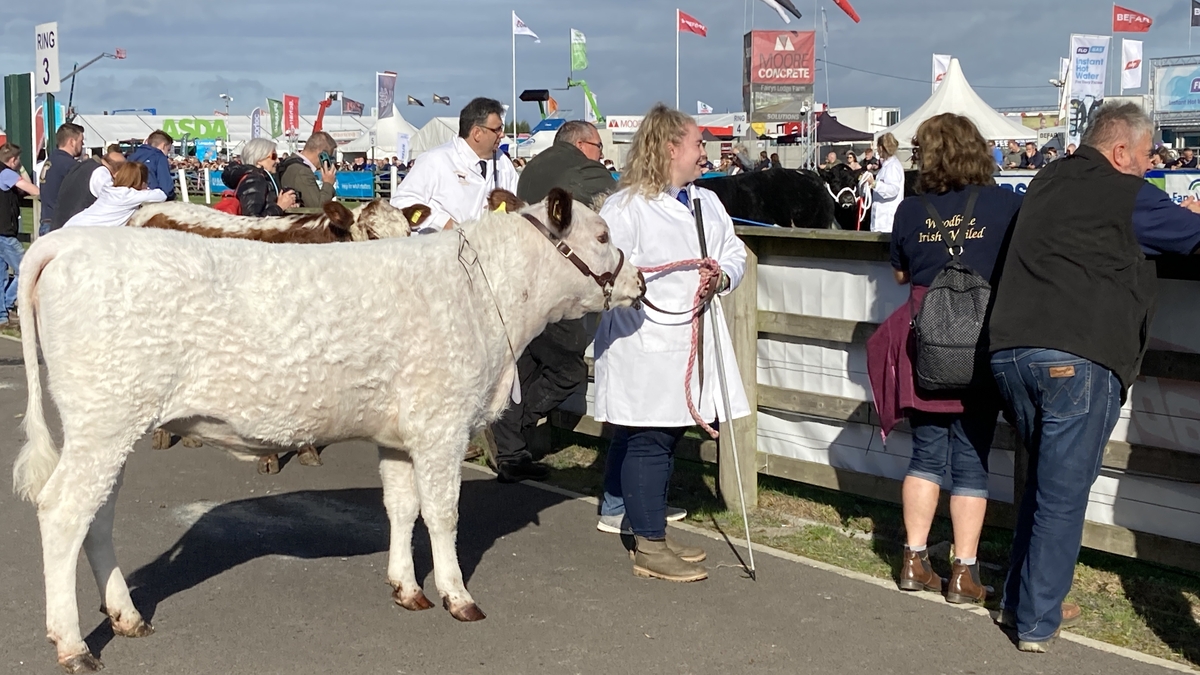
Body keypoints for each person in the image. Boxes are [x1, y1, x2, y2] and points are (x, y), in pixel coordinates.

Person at [988, 102, 1200, 653]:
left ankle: (1024, 599)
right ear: (1120, 150)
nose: (1152, 163)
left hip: (1010, 351)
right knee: (1062, 494)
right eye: (1148, 153)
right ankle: (1036, 621)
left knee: (1041, 483)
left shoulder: (1045, 180)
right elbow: (1191, 237)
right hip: (1077, 353)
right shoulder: (1126, 194)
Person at [868, 113, 1023, 607]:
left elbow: (899, 276)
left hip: (926, 344)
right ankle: (964, 573)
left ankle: (913, 560)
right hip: (979, 344)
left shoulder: (910, 211)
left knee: (927, 455)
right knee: (972, 462)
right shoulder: (1006, 205)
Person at [595, 104, 749, 582]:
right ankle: (649, 547)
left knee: (666, 434)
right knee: (649, 437)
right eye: (699, 143)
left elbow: (735, 252)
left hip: (691, 337)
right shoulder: (625, 209)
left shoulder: (706, 203)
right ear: (669, 148)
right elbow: (605, 273)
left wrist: (720, 277)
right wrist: (648, 285)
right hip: (644, 340)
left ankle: (649, 526)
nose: (706, 152)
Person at [478, 120, 618, 484]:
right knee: (567, 370)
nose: (601, 154)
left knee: (523, 365)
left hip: (522, 282)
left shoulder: (532, 170)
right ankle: (510, 427)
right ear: (583, 144)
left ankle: (509, 443)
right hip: (560, 284)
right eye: (599, 147)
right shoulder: (586, 171)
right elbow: (612, 206)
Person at [390, 97, 517, 233]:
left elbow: (519, 201)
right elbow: (401, 202)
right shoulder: (435, 160)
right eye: (497, 129)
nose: (502, 135)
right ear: (477, 133)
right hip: (441, 248)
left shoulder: (503, 162)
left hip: (489, 248)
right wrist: (442, 222)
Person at [0, 143, 39, 326]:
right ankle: (8, 303)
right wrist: (22, 171)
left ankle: (2, 314)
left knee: (1, 273)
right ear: (13, 160)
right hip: (5, 231)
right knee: (26, 268)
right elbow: (34, 190)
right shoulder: (7, 174)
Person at [63, 161, 167, 228]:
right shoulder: (127, 196)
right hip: (82, 231)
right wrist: (145, 189)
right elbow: (161, 195)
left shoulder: (110, 189)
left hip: (74, 225)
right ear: (141, 181)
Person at [53, 144, 126, 229]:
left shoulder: (84, 166)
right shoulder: (101, 173)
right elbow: (114, 199)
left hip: (60, 226)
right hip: (73, 233)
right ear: (117, 173)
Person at [221, 138, 295, 217]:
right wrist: (279, 207)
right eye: (274, 156)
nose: (278, 160)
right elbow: (252, 220)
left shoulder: (259, 178)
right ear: (259, 159)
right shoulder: (255, 180)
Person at [38, 122, 86, 236]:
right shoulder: (69, 165)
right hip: (60, 225)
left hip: (47, 220)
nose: (82, 144)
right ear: (72, 142)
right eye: (81, 141)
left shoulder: (53, 159)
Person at [277, 131, 337, 208]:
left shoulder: (290, 162)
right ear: (322, 154)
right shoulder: (302, 172)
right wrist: (328, 184)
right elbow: (317, 208)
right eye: (329, 157)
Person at [867, 133, 904, 233]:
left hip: (887, 222)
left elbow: (893, 190)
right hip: (881, 220)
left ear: (881, 148)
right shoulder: (887, 165)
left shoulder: (892, 167)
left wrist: (875, 184)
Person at [127, 130, 177, 202]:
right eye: (168, 150)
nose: (167, 154)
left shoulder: (132, 156)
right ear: (163, 146)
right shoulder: (159, 156)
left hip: (130, 199)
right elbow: (166, 186)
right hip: (152, 200)